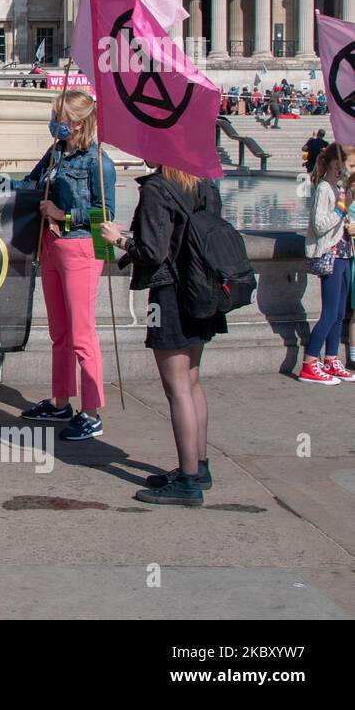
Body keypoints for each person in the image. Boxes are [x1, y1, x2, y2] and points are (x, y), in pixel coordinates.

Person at [100, 164, 227, 507]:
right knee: (193, 381)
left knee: (177, 388)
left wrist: (120, 240)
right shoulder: (205, 182)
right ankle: (198, 467)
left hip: (170, 293)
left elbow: (153, 252)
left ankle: (187, 482)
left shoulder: (158, 186)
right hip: (203, 290)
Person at [6, 90, 117, 441]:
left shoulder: (99, 162)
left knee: (83, 335)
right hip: (51, 246)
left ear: (79, 122)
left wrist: (63, 214)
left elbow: (106, 215)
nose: (55, 123)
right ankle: (60, 402)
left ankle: (93, 411)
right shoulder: (55, 153)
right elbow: (28, 186)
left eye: (61, 117)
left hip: (80, 247)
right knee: (60, 333)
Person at [296, 143, 355, 385]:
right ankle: (310, 362)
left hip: (344, 254)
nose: (353, 170)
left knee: (340, 313)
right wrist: (342, 210)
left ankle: (331, 359)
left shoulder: (338, 188)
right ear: (336, 165)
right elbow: (320, 225)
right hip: (330, 255)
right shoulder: (324, 189)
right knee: (330, 313)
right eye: (351, 165)